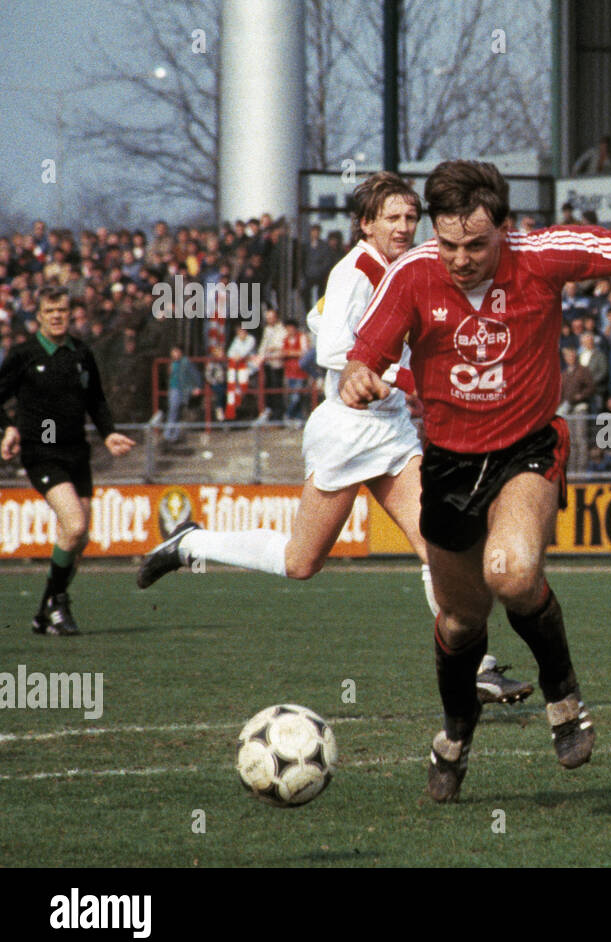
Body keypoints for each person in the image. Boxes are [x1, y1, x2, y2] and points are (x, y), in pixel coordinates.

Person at [339, 160, 611, 802]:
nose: (461, 258)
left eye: (476, 244)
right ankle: (456, 732)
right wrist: (356, 376)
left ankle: (563, 696)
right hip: (447, 463)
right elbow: (361, 358)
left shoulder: (543, 254)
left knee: (512, 571)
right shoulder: (412, 274)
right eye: (448, 243)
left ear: (505, 228)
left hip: (528, 446)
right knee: (462, 621)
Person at [136, 172, 533, 708]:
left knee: (438, 546)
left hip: (389, 429)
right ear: (365, 223)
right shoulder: (357, 270)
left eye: (411, 217)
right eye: (391, 217)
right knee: (301, 562)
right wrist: (414, 381)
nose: (404, 226)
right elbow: (334, 351)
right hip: (348, 430)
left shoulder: (406, 269)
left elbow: (323, 318)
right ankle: (189, 543)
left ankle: (476, 668)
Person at [0, 285, 136, 634]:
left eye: (63, 310)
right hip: (42, 451)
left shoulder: (81, 353)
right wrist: (8, 429)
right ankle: (59, 604)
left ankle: (46, 610)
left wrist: (108, 433)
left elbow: (96, 400)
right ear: (39, 316)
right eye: (50, 311)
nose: (58, 316)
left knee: (79, 537)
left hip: (77, 452)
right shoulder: (24, 354)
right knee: (74, 525)